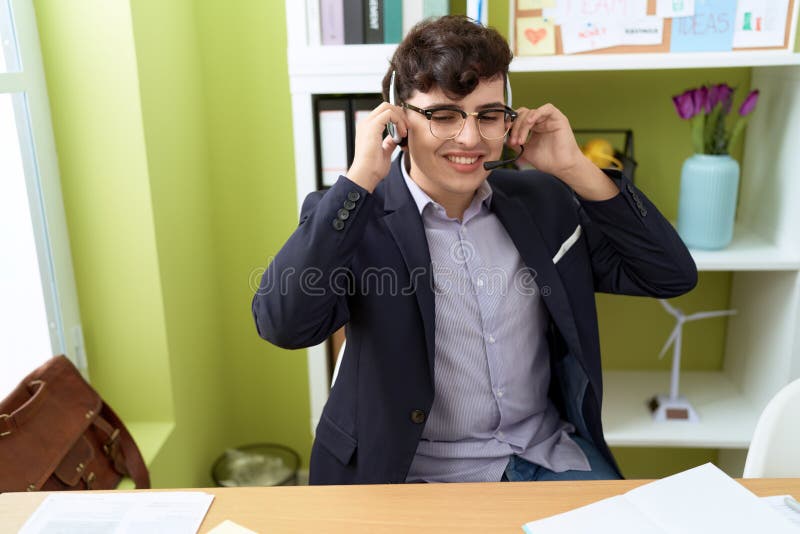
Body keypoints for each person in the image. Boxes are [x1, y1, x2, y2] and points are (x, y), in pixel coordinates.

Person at [252, 15, 697, 485]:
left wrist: (574, 168)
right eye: (443, 116)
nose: (470, 139)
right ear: (399, 120)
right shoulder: (351, 215)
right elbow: (283, 324)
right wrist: (360, 177)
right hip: (412, 474)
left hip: (543, 455)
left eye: (487, 115)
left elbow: (669, 274)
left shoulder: (543, 203)